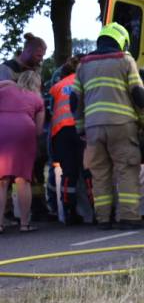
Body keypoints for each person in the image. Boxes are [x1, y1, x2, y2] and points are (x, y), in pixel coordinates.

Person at [73, 22, 144, 230]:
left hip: (93, 128)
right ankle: (128, 217)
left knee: (100, 173)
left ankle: (103, 219)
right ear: (121, 41)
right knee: (126, 169)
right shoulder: (124, 59)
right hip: (121, 124)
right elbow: (138, 94)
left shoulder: (84, 64)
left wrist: (80, 126)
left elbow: (74, 99)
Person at [0, 70, 46, 231]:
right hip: (24, 131)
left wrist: (7, 83)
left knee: (2, 181)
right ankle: (25, 224)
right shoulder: (37, 99)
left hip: (1, 130)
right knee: (23, 180)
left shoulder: (6, 89)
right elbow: (39, 130)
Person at [48, 57, 85, 224]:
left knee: (68, 173)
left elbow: (51, 109)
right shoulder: (83, 81)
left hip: (61, 133)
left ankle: (68, 211)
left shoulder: (57, 87)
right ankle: (97, 210)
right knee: (88, 170)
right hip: (79, 128)